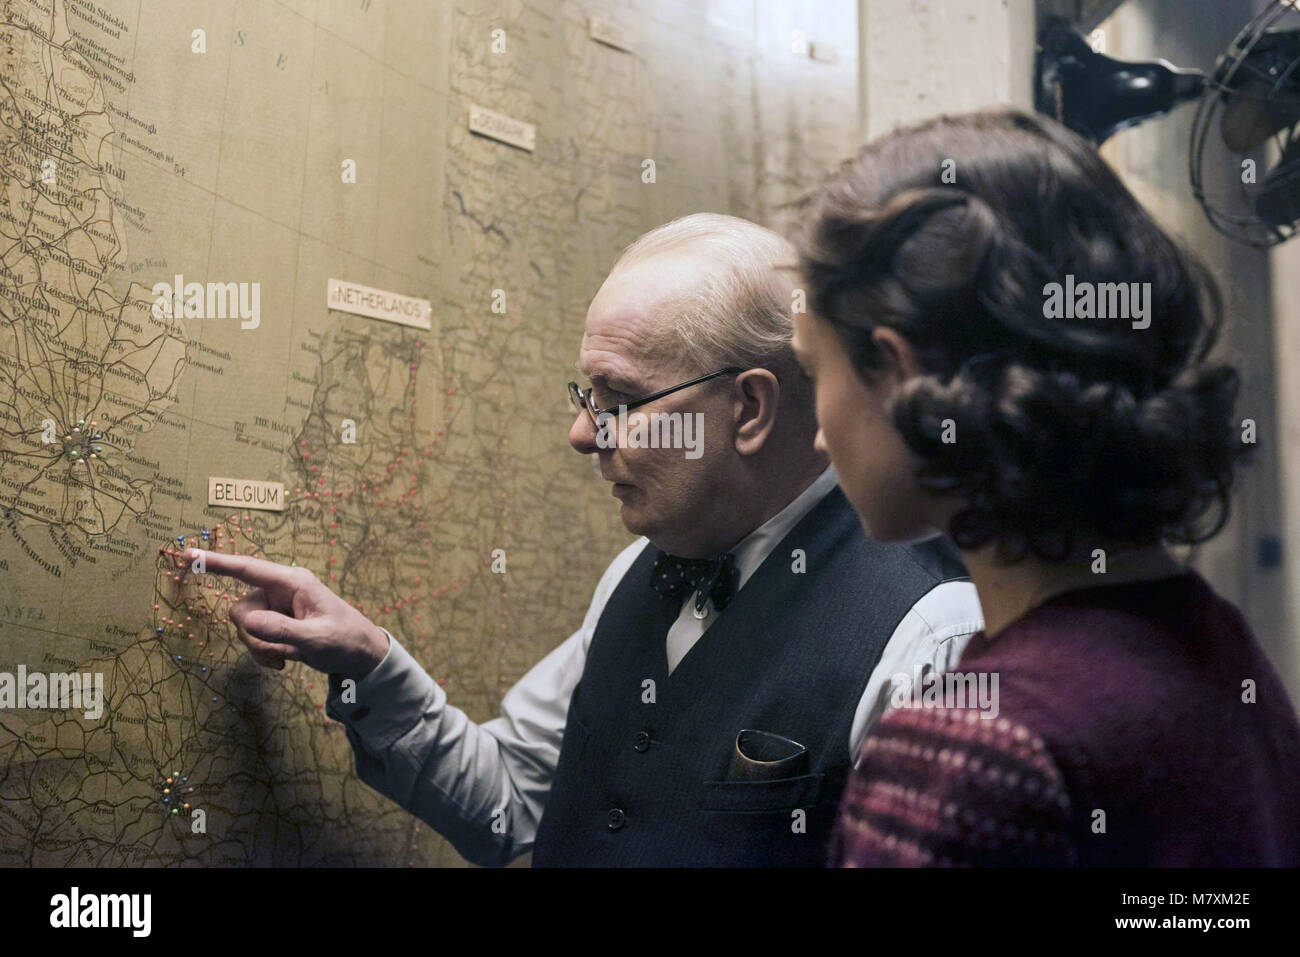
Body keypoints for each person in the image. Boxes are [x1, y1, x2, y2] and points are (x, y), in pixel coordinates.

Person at [191, 213, 983, 867]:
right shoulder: (634, 575)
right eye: (587, 393)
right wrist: (370, 663)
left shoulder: (927, 635)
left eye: (622, 399)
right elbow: (512, 804)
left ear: (749, 409)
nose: (580, 433)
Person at [788, 108, 1300, 866]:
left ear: (902, 374)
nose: (820, 433)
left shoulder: (968, 752)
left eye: (812, 372)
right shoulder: (1221, 645)